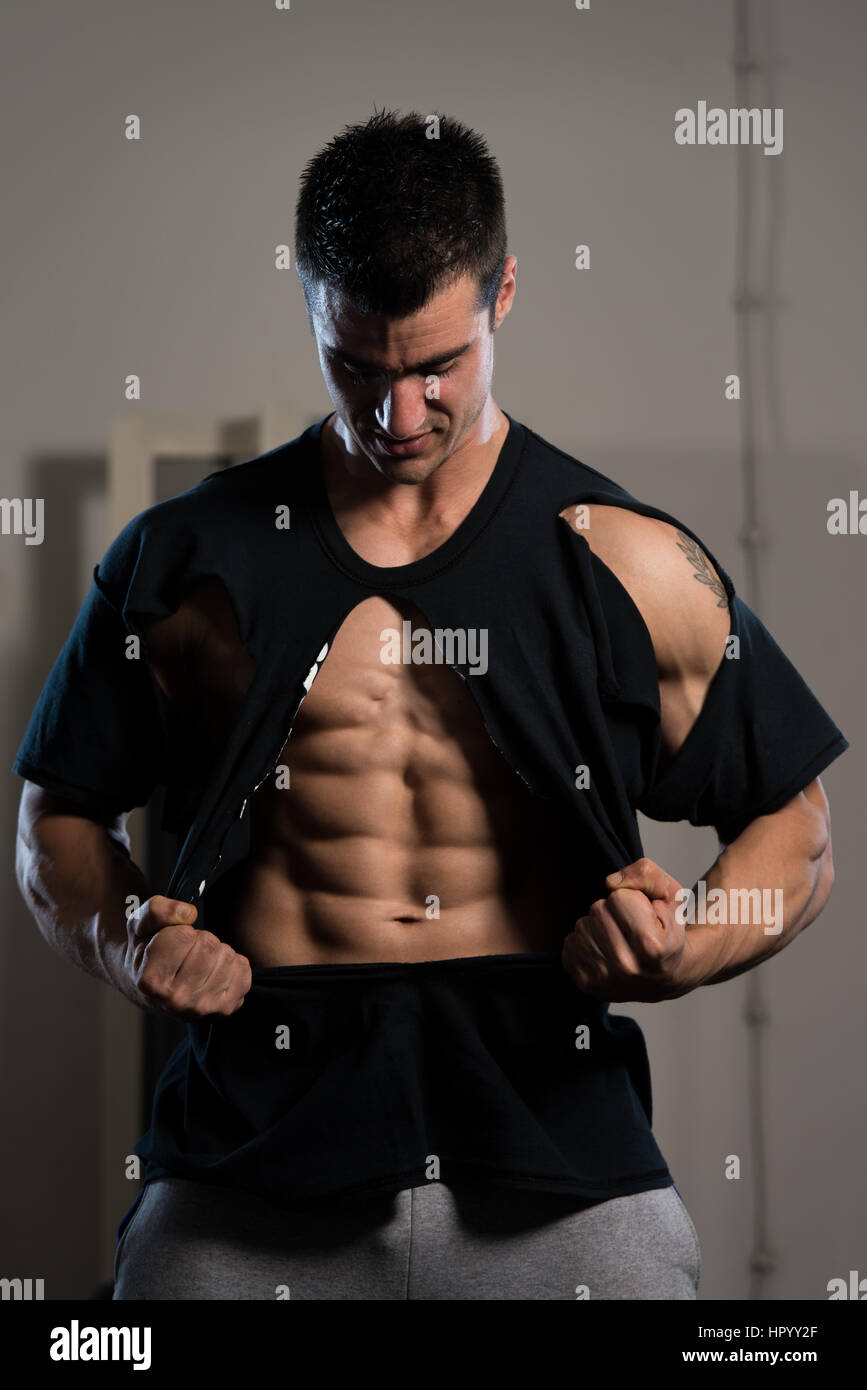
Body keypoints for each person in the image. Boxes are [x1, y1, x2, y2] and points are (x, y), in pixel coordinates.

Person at [13, 109, 847, 1301]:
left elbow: (799, 828)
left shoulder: (626, 561)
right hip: (253, 1151)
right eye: (356, 367)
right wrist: (127, 940)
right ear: (310, 308)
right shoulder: (190, 557)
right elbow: (57, 815)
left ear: (503, 292)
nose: (395, 416)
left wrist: (685, 948)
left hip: (557, 1150)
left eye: (433, 367)